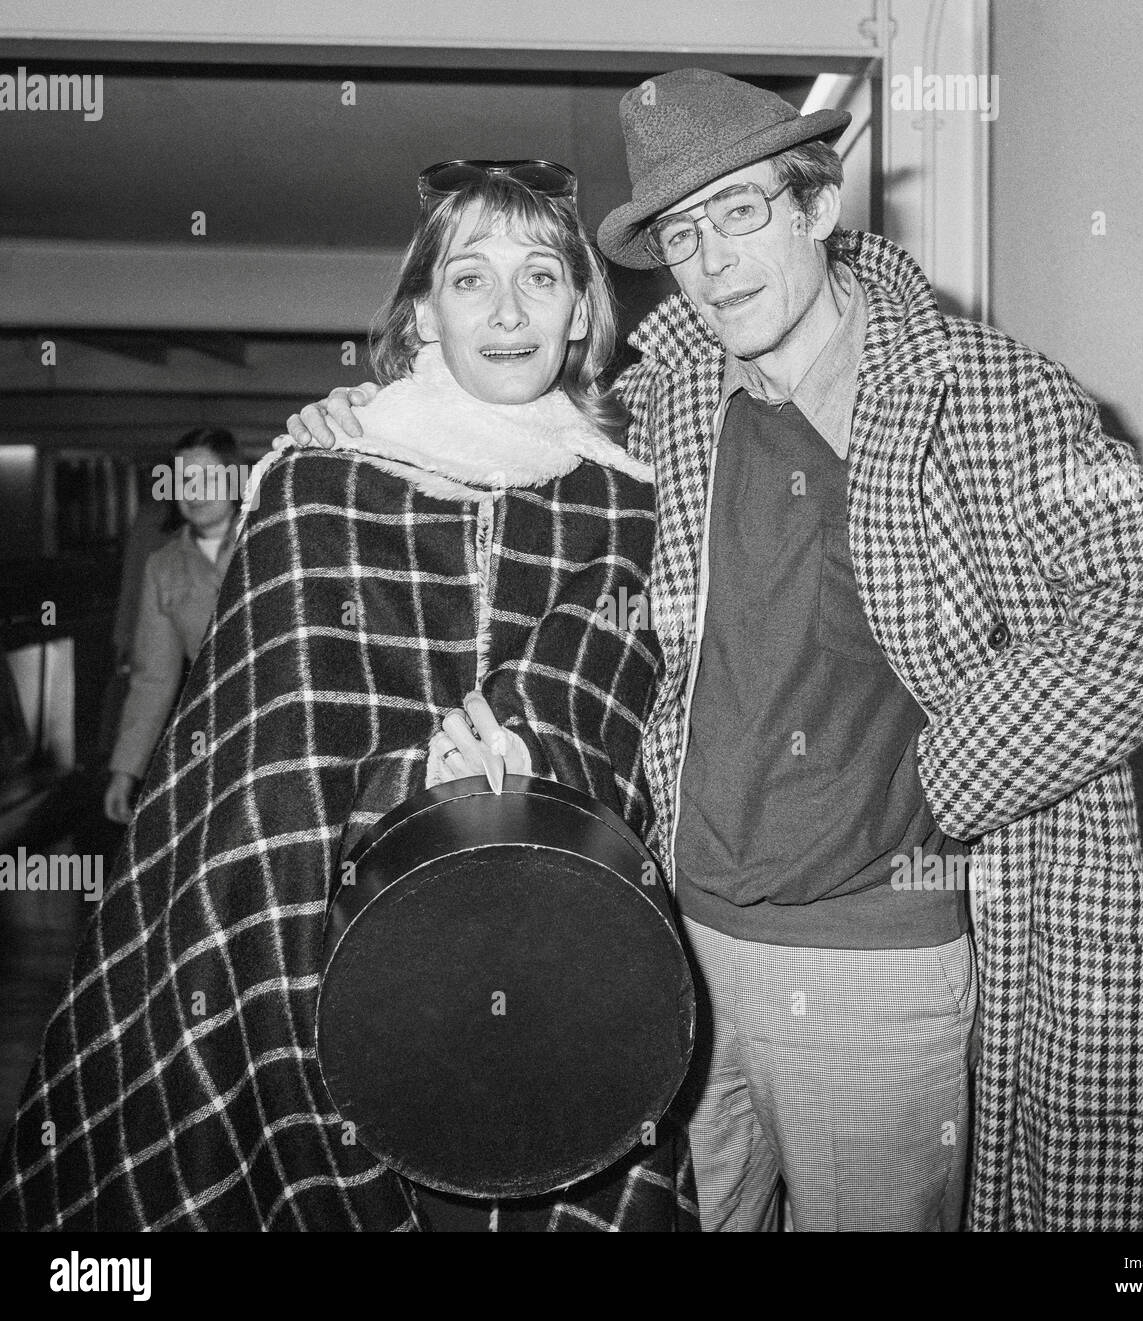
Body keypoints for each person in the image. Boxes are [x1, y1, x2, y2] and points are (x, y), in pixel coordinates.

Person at [295, 70, 1143, 1233]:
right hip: (667, 941)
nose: (711, 262)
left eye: (741, 212)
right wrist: (363, 418)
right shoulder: (662, 400)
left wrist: (951, 764)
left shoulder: (987, 391)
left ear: (815, 207)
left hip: (874, 960)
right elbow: (510, 408)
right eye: (683, 234)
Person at [0, 161, 695, 1231]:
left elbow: (613, 688)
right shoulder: (315, 476)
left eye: (542, 276)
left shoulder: (626, 500)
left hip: (556, 932)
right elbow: (253, 756)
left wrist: (520, 764)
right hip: (305, 947)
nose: (507, 311)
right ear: (423, 312)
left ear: (580, 312)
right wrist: (409, 793)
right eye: (470, 279)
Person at [103, 428, 240, 823]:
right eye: (183, 479)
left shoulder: (271, 542)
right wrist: (124, 771)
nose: (194, 492)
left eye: (208, 478)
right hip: (215, 739)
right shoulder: (162, 566)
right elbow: (153, 680)